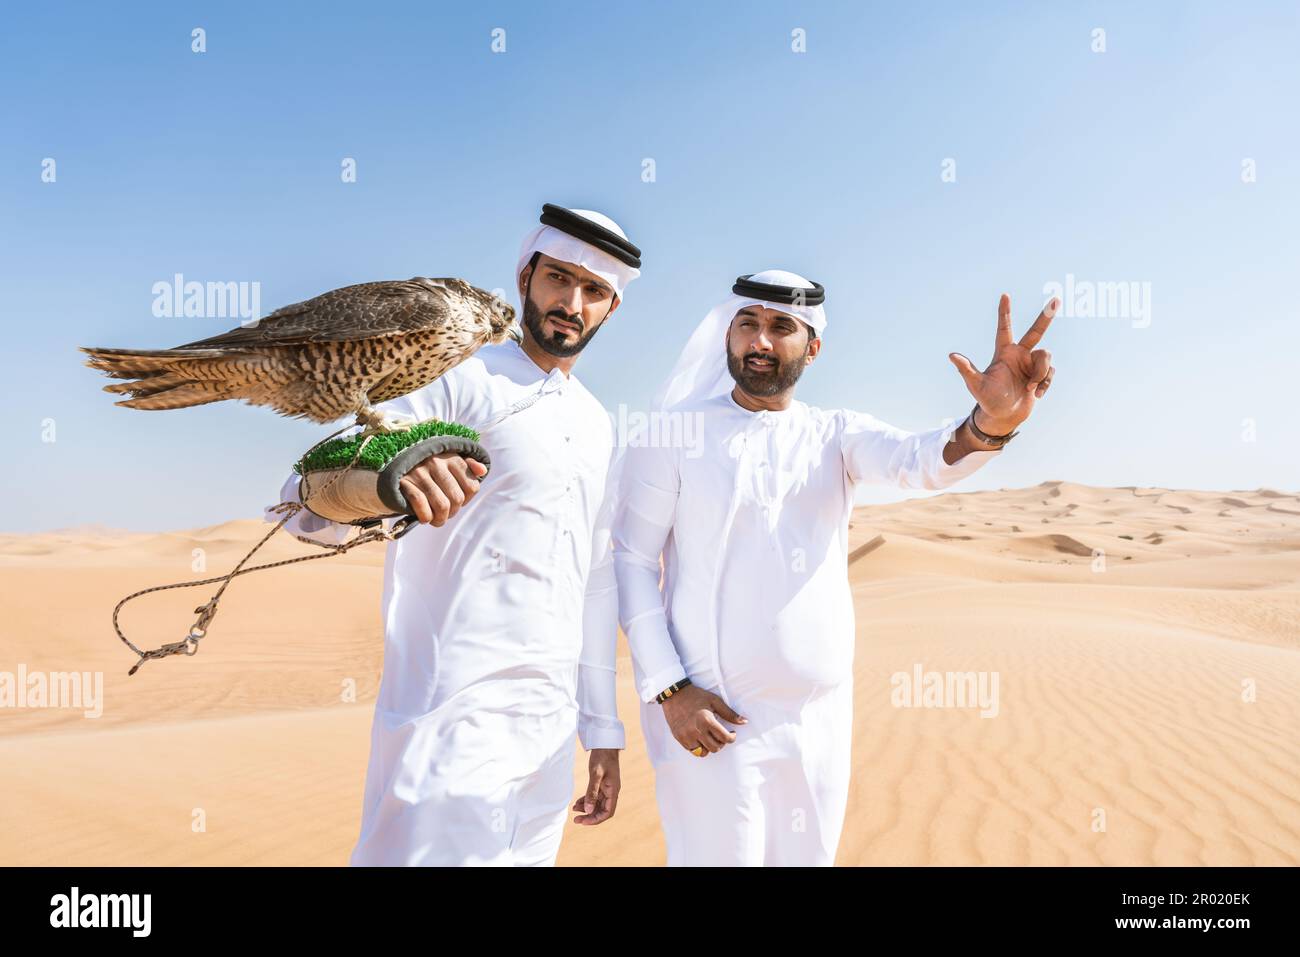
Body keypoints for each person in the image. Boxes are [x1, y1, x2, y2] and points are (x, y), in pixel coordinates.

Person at [612, 270, 1057, 865]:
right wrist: (670, 690)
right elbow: (633, 561)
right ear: (728, 335)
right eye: (747, 323)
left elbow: (918, 461)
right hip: (709, 722)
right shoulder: (672, 435)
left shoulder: (834, 434)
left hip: (817, 724)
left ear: (813, 347)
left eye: (781, 327)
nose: (760, 341)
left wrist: (990, 426)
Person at [266, 203, 642, 865]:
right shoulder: (461, 378)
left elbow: (594, 578)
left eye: (594, 291)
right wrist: (390, 477)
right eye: (558, 277)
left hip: (549, 737)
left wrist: (601, 726)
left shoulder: (596, 422)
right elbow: (305, 495)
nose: (571, 302)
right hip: (451, 724)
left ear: (611, 309)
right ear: (525, 276)